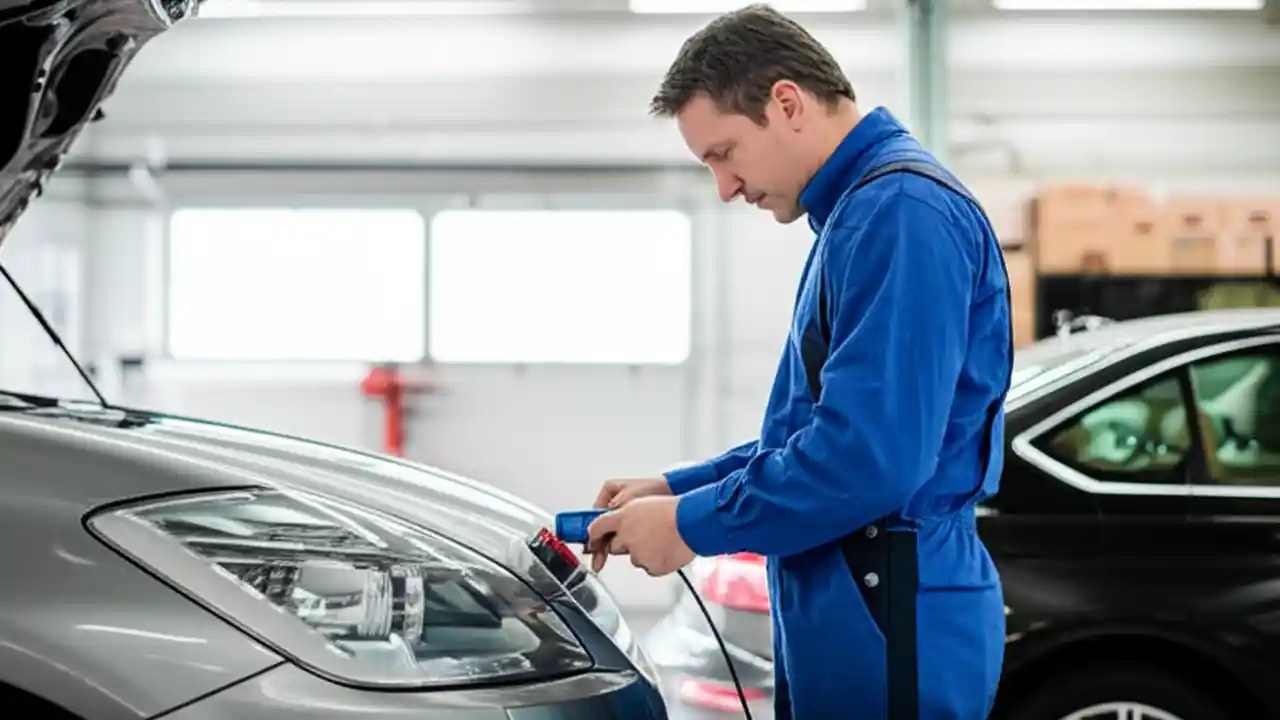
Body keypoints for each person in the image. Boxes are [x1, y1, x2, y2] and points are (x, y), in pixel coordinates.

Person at [585, 4, 1012, 720]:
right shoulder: (857, 213)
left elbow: (869, 458)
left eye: (724, 154)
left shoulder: (900, 213)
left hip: (890, 607)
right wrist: (677, 487)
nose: (725, 187)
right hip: (858, 600)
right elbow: (816, 432)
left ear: (787, 103)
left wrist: (691, 524)